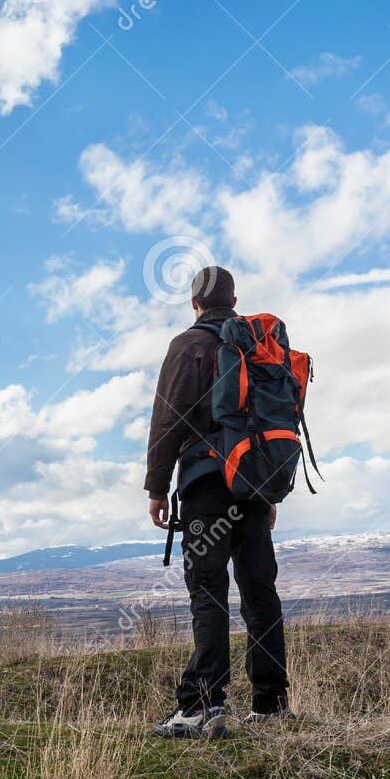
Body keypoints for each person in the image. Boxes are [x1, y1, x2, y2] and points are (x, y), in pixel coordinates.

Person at [145, 267, 291, 738]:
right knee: (259, 592)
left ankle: (202, 706)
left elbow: (167, 418)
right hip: (251, 482)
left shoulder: (187, 347)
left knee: (208, 592)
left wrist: (157, 487)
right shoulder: (255, 345)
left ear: (194, 303)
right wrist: (268, 492)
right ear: (234, 299)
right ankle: (271, 703)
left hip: (206, 482)